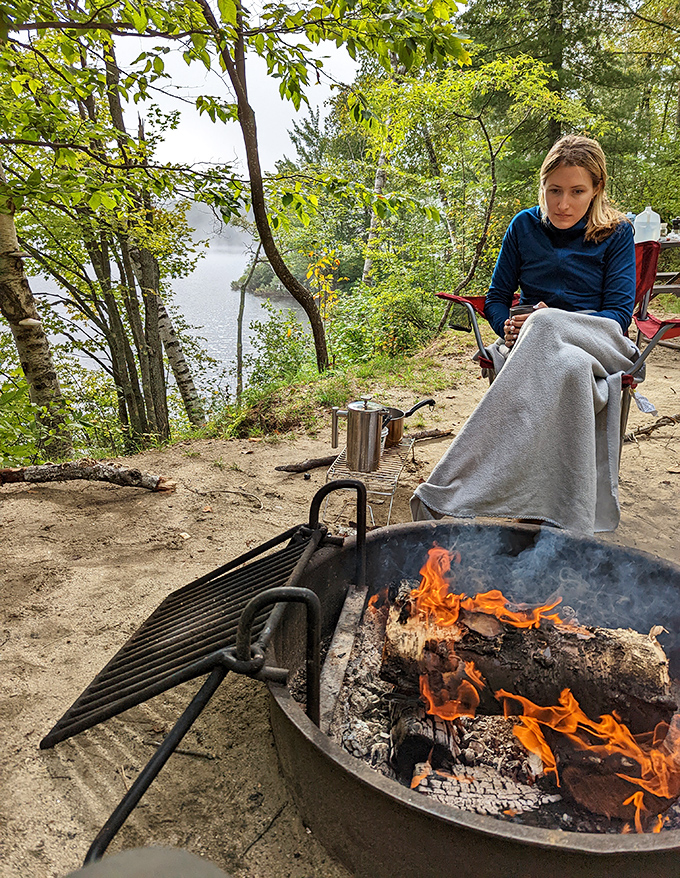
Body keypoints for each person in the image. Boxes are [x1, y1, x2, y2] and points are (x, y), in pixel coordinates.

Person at [411, 134, 640, 534]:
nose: (563, 204)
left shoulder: (617, 232)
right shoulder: (524, 226)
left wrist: (547, 321)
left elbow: (619, 316)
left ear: (597, 188)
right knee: (570, 368)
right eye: (554, 190)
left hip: (601, 340)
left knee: (546, 323)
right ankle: (562, 514)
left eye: (576, 191)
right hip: (541, 346)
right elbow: (496, 299)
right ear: (543, 186)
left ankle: (449, 486)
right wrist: (507, 325)